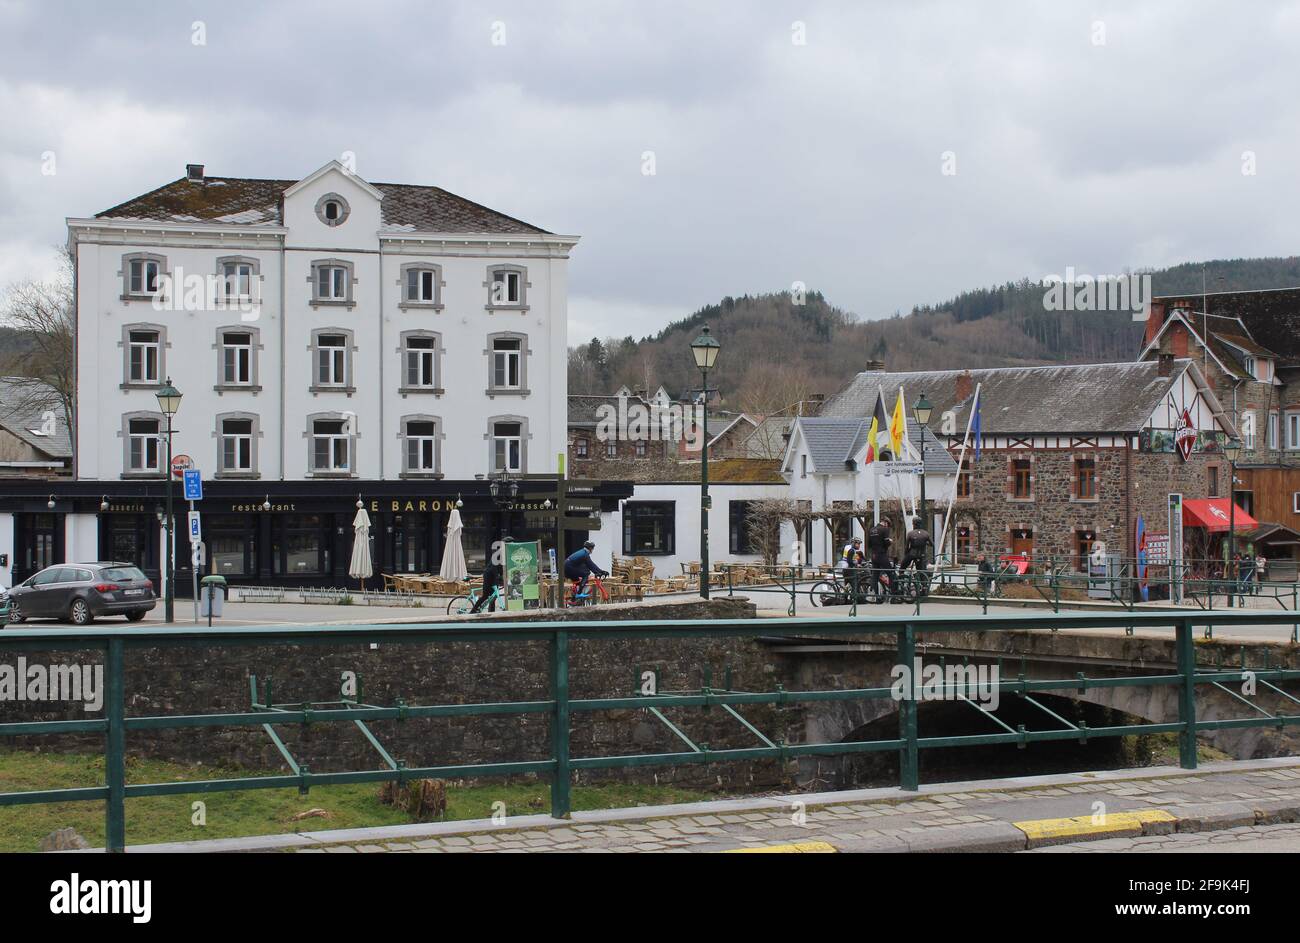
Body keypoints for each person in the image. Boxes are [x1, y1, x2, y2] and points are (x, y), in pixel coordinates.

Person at [471, 537, 512, 613]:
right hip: (489, 575)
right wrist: (498, 577)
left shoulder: (506, 553)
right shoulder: (498, 553)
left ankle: (491, 614)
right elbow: (494, 567)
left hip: (495, 576)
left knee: (494, 596)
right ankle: (472, 611)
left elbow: (504, 567)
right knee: (485, 596)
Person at [866, 518, 893, 598]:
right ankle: (894, 594)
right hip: (881, 554)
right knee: (890, 573)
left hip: (874, 555)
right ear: (885, 523)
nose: (888, 527)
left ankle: (876, 596)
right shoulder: (884, 529)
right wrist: (890, 542)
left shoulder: (871, 530)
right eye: (888, 525)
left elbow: (869, 544)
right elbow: (886, 542)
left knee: (875, 575)